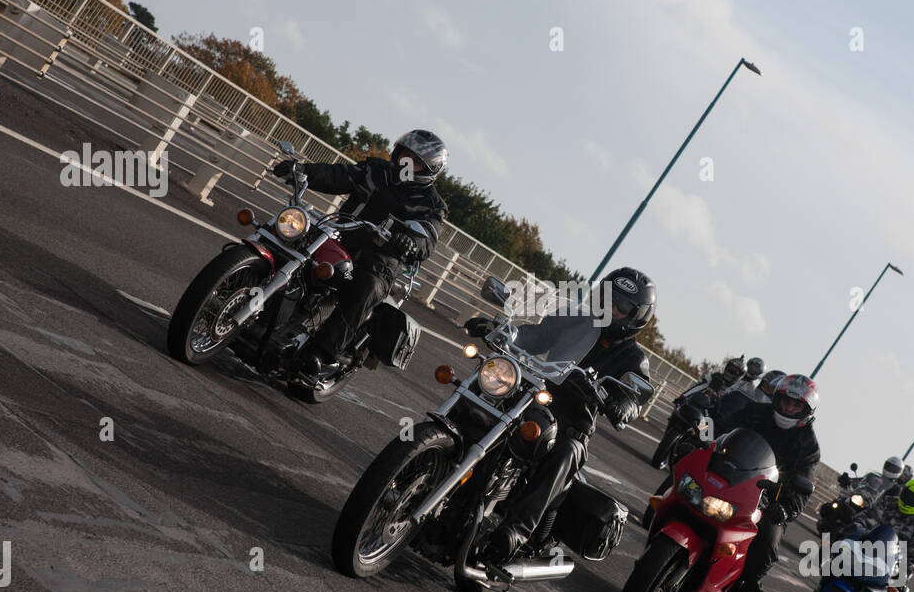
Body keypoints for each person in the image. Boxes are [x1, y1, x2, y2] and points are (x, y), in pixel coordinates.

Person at [469, 267, 656, 562]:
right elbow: (536, 336)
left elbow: (633, 399)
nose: (611, 308)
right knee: (483, 396)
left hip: (571, 423)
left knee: (566, 452)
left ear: (637, 316)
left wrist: (620, 404)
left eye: (621, 307)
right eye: (608, 298)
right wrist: (502, 330)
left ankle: (515, 532)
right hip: (532, 395)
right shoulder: (575, 318)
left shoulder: (633, 357)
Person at [275, 130, 449, 375]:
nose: (407, 162)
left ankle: (320, 352)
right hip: (339, 235)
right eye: (406, 154)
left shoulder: (431, 203)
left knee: (366, 286)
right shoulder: (375, 171)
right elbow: (340, 175)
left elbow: (428, 236)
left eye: (417, 161)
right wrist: (303, 171)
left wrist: (410, 242)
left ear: (429, 170)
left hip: (380, 260)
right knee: (292, 240)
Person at [710, 373, 821, 592]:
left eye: (796, 405)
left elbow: (804, 483)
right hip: (728, 475)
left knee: (768, 541)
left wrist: (787, 508)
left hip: (767, 500)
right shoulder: (754, 411)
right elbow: (720, 425)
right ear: (776, 399)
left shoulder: (808, 445)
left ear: (806, 410)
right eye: (785, 401)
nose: (789, 408)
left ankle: (741, 589)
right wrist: (701, 434)